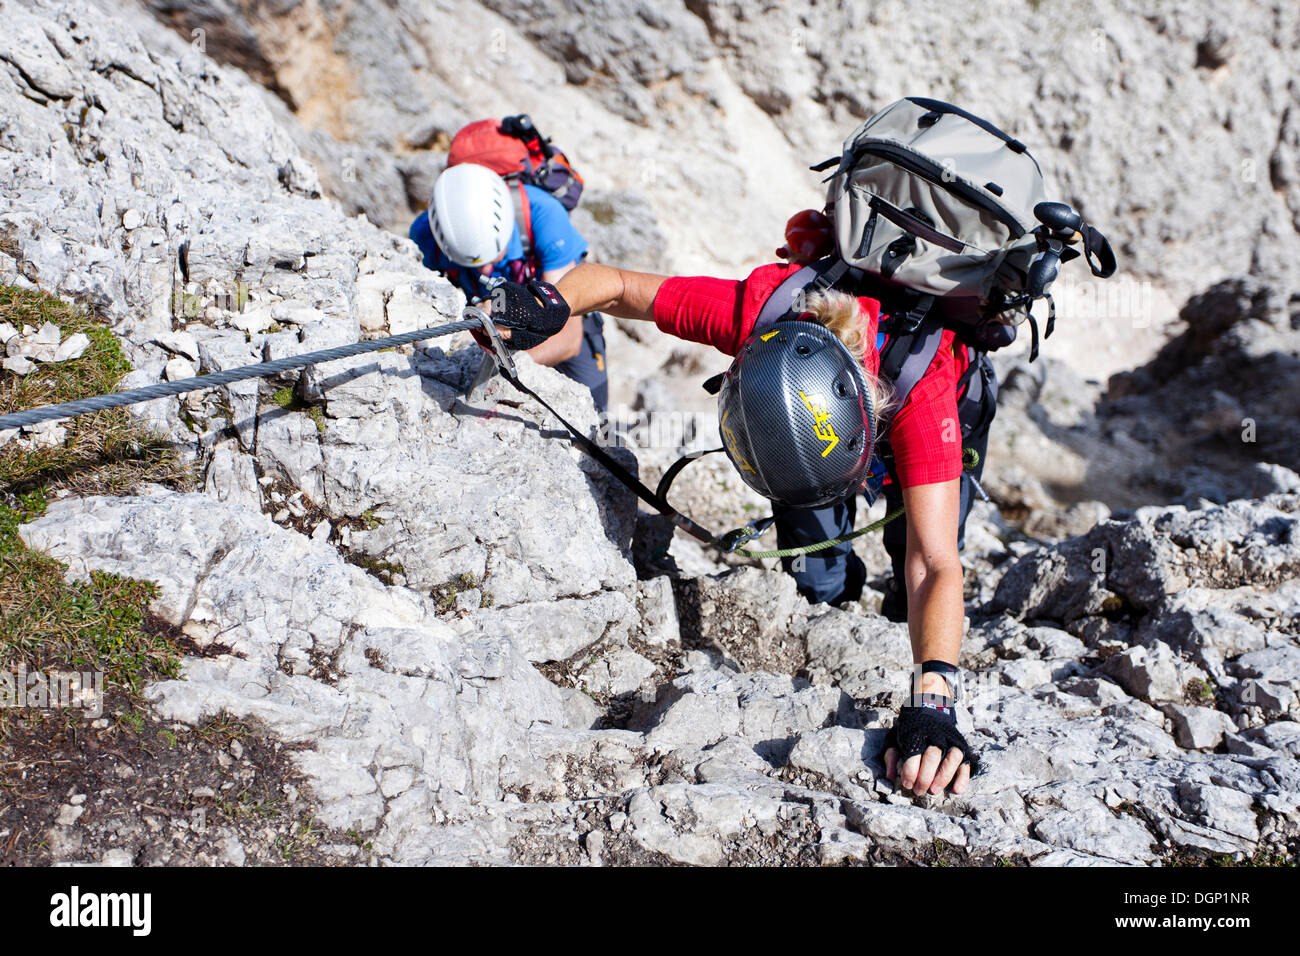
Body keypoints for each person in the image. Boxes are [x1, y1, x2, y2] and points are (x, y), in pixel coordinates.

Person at [482, 252, 986, 798]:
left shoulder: (926, 390)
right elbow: (617, 284)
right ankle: (835, 612)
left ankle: (897, 626)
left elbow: (934, 563)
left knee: (910, 544)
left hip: (936, 416)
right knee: (814, 570)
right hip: (803, 440)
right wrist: (549, 303)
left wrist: (932, 705)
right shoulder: (755, 311)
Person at [409, 162, 609, 410]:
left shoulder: (543, 215)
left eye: (493, 257)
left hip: (561, 326)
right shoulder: (425, 236)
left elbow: (568, 336)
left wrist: (497, 367)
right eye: (471, 264)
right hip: (491, 332)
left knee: (595, 409)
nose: (485, 271)